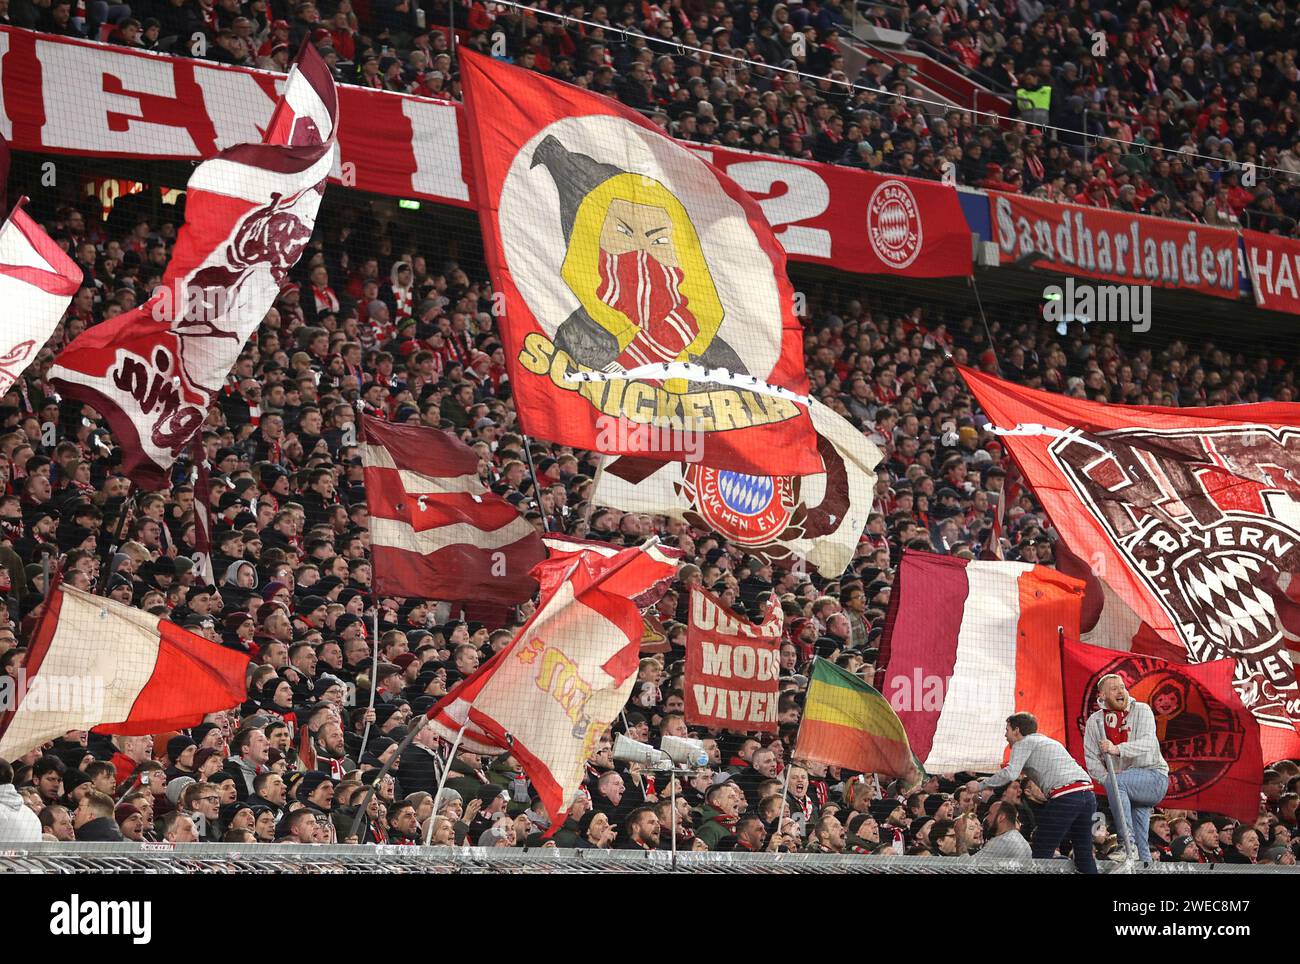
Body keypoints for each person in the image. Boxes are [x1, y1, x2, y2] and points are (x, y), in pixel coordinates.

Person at [980, 712, 1098, 874]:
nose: (1005, 735)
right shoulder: (1049, 742)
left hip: (1067, 796)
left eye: (1007, 730)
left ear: (1016, 730)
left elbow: (1010, 773)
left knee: (1041, 849)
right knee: (1084, 853)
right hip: (1088, 794)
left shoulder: (1023, 743)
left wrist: (981, 785)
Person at [1083, 674, 1168, 863]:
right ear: (1102, 695)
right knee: (1141, 847)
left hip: (1153, 776)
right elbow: (1091, 758)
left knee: (1117, 783)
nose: (1121, 691)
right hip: (1126, 788)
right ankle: (1138, 858)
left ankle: (1124, 841)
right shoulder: (1095, 721)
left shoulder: (1142, 710)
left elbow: (1148, 742)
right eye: (1114, 689)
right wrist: (1106, 778)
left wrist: (1117, 749)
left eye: (1122, 687)